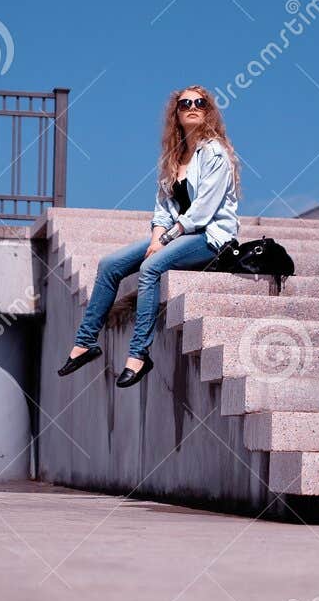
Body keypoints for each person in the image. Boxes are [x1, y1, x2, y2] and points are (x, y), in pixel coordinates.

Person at [57, 85, 240, 389]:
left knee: (150, 268)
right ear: (176, 114)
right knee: (109, 264)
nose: (192, 107)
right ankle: (85, 343)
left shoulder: (215, 153)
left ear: (208, 111)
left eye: (200, 103)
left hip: (210, 237)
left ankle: (139, 354)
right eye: (185, 104)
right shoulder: (174, 157)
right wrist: (158, 235)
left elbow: (202, 213)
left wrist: (164, 241)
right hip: (176, 234)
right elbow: (162, 210)